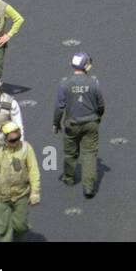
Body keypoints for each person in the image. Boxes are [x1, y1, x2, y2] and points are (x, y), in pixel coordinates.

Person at [54, 53, 104, 198]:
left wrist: (55, 123)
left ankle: (69, 178)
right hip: (90, 123)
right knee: (89, 154)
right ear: (86, 66)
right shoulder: (94, 82)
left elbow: (59, 107)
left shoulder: (65, 83)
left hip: (72, 124)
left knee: (70, 152)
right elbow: (100, 104)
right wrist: (98, 117)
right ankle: (89, 187)